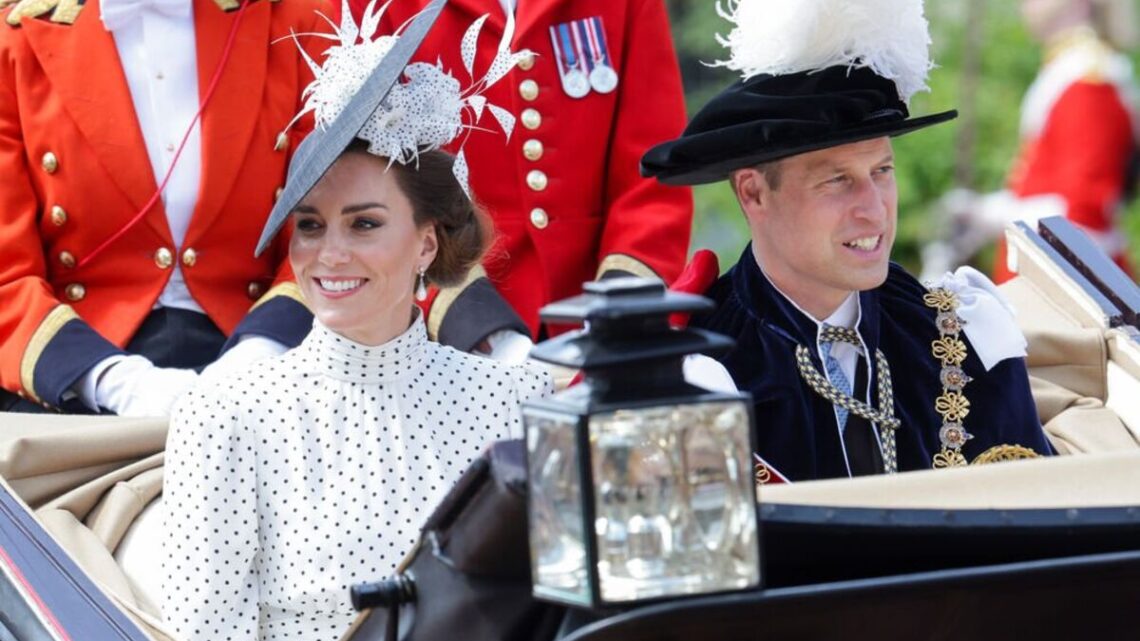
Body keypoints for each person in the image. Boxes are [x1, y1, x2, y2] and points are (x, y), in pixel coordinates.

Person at [161, 5, 552, 640]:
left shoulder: (520, 402)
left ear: (427, 243)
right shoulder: (223, 411)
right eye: (310, 225)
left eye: (364, 223)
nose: (329, 253)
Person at [642, 0, 1055, 482]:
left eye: (882, 171)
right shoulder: (701, 371)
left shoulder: (960, 335)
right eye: (836, 181)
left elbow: (1027, 524)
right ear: (753, 192)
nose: (875, 209)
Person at [0, 0, 328, 415]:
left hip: (267, 354)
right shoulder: (13, 42)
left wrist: (260, 355)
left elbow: (332, 227)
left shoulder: (296, 22)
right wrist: (115, 383)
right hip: (78, 371)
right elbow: (6, 277)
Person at [352, 0, 693, 360]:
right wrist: (478, 324)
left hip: (598, 319)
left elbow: (652, 174)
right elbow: (377, 177)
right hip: (449, 333)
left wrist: (622, 305)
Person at [953, 0, 1139, 282]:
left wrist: (994, 215)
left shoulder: (1091, 81)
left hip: (1072, 285)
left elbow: (1083, 214)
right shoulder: (1069, 71)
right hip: (1043, 273)